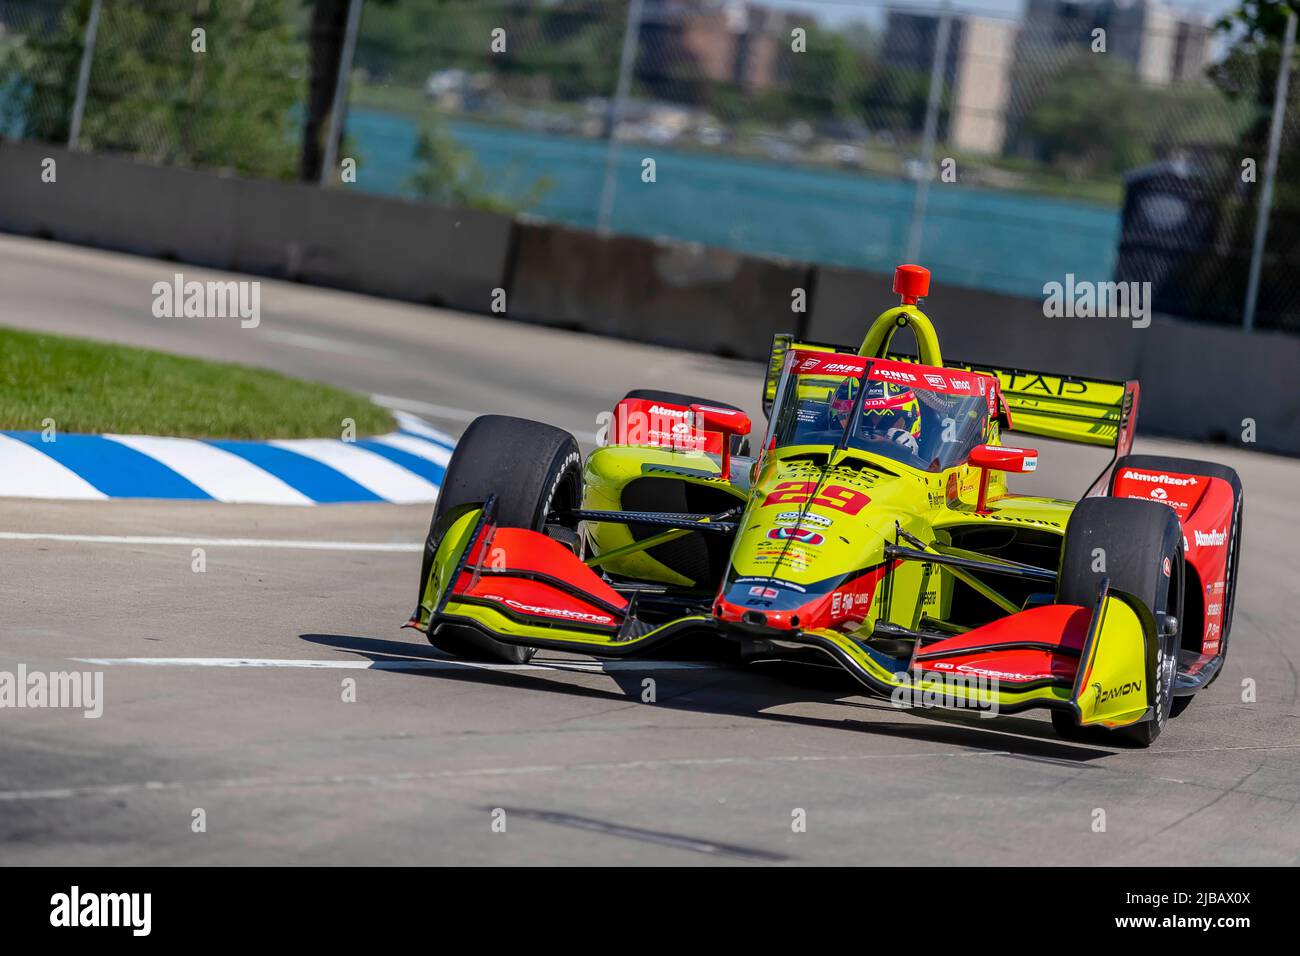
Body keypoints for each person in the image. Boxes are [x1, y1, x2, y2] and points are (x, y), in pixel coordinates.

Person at [830, 379, 922, 454]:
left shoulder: (929, 468)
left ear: (911, 419)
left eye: (886, 422)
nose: (871, 435)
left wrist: (909, 455)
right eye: (862, 422)